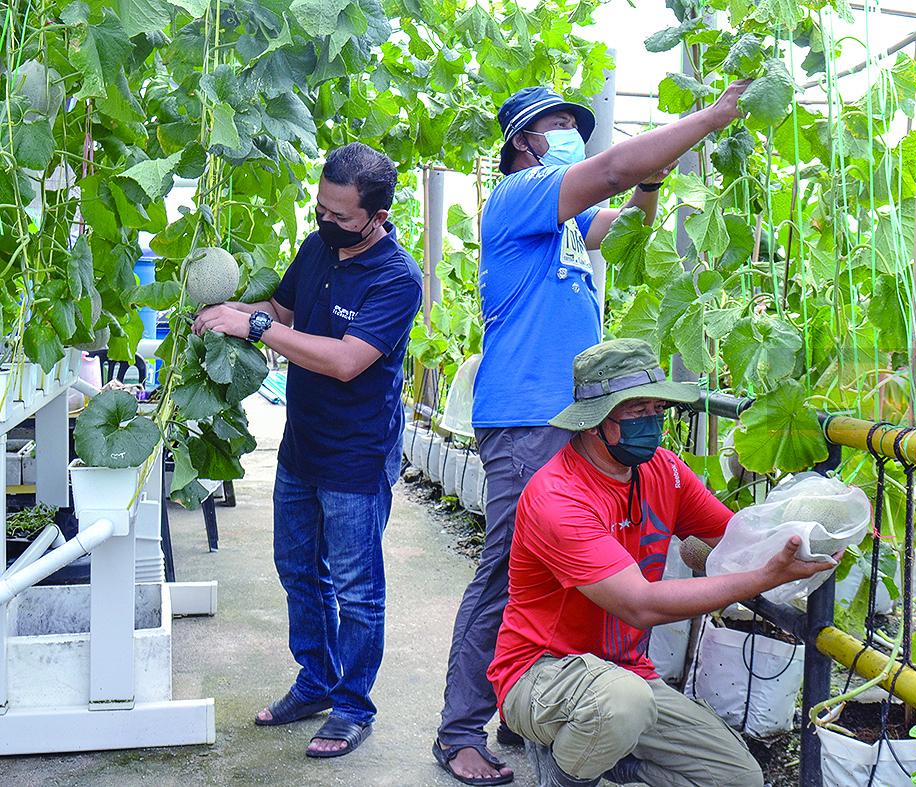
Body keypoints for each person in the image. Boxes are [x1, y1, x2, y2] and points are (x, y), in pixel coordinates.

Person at [435, 79, 751, 786]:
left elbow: (627, 225)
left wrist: (652, 183)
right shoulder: (518, 194)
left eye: (576, 126)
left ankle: (551, 711)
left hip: (579, 414)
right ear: (522, 143)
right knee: (505, 575)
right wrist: (714, 116)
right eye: (556, 126)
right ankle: (459, 730)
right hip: (529, 413)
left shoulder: (567, 226)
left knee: (576, 574)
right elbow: (610, 171)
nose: (573, 135)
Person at [485, 338, 837, 787]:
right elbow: (640, 605)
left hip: (626, 675)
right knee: (621, 704)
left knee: (737, 778)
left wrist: (810, 531)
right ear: (594, 423)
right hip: (541, 673)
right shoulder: (558, 496)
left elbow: (736, 537)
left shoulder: (664, 471)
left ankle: (612, 759)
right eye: (636, 412)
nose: (651, 422)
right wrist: (761, 578)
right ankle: (566, 772)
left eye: (657, 409)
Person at [193, 142, 423, 758]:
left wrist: (258, 328)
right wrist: (230, 311)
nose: (326, 220)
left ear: (377, 215)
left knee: (356, 588)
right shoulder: (319, 246)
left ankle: (352, 707)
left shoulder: (397, 278)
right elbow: (282, 309)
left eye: (340, 215)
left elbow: (347, 361)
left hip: (356, 454)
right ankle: (316, 682)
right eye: (321, 207)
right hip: (302, 445)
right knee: (298, 571)